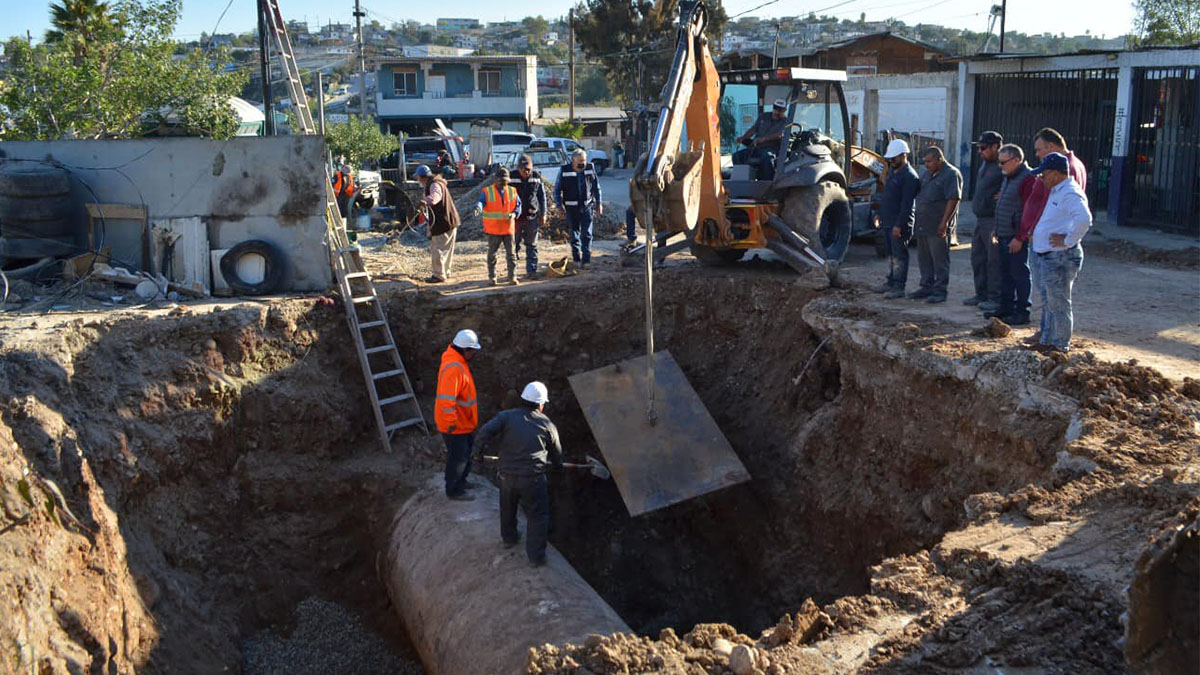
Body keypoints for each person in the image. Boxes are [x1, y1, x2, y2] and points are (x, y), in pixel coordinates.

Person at [475, 381, 563, 567]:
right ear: (541, 404)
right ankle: (536, 557)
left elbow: (485, 432)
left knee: (508, 507)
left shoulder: (506, 417)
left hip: (506, 475)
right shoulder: (547, 425)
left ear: (523, 399)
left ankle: (509, 538)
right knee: (538, 515)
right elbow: (557, 454)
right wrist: (558, 469)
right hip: (533, 479)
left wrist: (478, 453)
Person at [1020, 128, 1088, 341]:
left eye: (1044, 173)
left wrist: (1068, 240)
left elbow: (1084, 218)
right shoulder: (1058, 188)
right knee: (1050, 300)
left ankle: (1058, 345)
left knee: (1058, 302)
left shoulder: (1069, 189)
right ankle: (1047, 338)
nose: (1041, 177)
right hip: (1049, 252)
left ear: (1056, 173)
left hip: (1059, 254)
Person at [988, 143, 1036, 325]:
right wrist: (997, 228)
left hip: (1015, 237)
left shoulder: (1027, 179)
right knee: (1005, 274)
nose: (1000, 166)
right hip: (1003, 233)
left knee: (1019, 275)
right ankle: (1006, 308)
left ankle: (1022, 311)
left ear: (1016, 160)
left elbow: (1028, 211)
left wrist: (1020, 238)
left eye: (1003, 162)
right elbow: (1005, 204)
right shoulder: (1009, 177)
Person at [909, 146, 962, 304]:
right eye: (925, 161)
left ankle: (940, 291)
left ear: (940, 159)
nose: (926, 164)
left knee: (939, 260)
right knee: (924, 258)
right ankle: (926, 287)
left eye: (929, 161)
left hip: (938, 225)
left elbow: (953, 199)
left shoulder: (951, 174)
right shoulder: (927, 174)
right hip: (923, 224)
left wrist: (944, 223)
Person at [435, 329, 483, 501]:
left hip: (463, 423)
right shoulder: (454, 368)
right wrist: (451, 422)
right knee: (457, 458)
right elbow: (446, 400)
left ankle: (461, 482)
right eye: (473, 351)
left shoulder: (458, 362)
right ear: (465, 349)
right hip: (455, 425)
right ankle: (453, 490)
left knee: (465, 454)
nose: (475, 354)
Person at [873, 139, 920, 299]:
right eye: (889, 159)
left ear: (904, 156)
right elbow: (888, 196)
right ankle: (891, 281)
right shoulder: (894, 172)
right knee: (892, 254)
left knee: (899, 255)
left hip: (900, 223)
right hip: (888, 220)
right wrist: (880, 214)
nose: (891, 161)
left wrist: (899, 225)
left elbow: (907, 205)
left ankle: (899, 286)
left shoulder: (910, 177)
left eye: (894, 158)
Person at [966, 131, 1005, 312]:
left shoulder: (1003, 165)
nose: (980, 152)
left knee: (993, 261)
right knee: (978, 259)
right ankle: (981, 294)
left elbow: (1021, 179)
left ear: (995, 147)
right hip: (980, 220)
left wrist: (1004, 193)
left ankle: (995, 297)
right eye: (979, 148)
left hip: (993, 220)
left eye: (983, 148)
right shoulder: (985, 165)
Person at [553, 149, 603, 266]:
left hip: (587, 207)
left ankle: (586, 260)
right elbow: (557, 190)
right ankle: (576, 259)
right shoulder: (564, 170)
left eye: (584, 161)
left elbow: (596, 187)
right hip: (571, 208)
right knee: (574, 234)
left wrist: (599, 203)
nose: (583, 164)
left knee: (587, 234)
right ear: (573, 161)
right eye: (580, 161)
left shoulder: (590, 168)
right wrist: (559, 206)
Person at [474, 168, 522, 286]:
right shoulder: (487, 191)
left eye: (505, 180)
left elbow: (518, 205)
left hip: (508, 229)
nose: (503, 183)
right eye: (501, 180)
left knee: (511, 254)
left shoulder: (512, 191)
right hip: (494, 229)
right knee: (492, 254)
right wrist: (478, 208)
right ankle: (492, 277)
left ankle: (512, 277)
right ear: (496, 179)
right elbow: (481, 201)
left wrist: (515, 214)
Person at [414, 164, 461, 284]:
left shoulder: (434, 184)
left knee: (437, 249)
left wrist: (426, 201)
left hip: (443, 222)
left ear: (421, 177)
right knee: (447, 249)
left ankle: (439, 275)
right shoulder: (436, 183)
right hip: (449, 220)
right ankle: (446, 271)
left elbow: (436, 197)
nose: (417, 180)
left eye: (418, 177)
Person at [509, 154, 549, 279]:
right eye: (522, 169)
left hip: (532, 217)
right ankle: (512, 272)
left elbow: (542, 197)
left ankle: (531, 270)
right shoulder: (511, 177)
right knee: (513, 246)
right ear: (517, 168)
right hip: (515, 219)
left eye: (528, 169)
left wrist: (543, 214)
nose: (525, 172)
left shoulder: (536, 177)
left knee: (532, 245)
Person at [735, 98, 790, 180]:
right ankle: (741, 181)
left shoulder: (786, 121)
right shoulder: (764, 117)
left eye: (779, 110)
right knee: (737, 156)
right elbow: (753, 129)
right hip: (756, 147)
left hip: (772, 149)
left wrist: (764, 139)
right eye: (775, 109)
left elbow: (781, 134)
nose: (776, 112)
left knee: (767, 157)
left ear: (784, 110)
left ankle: (767, 183)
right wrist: (743, 138)